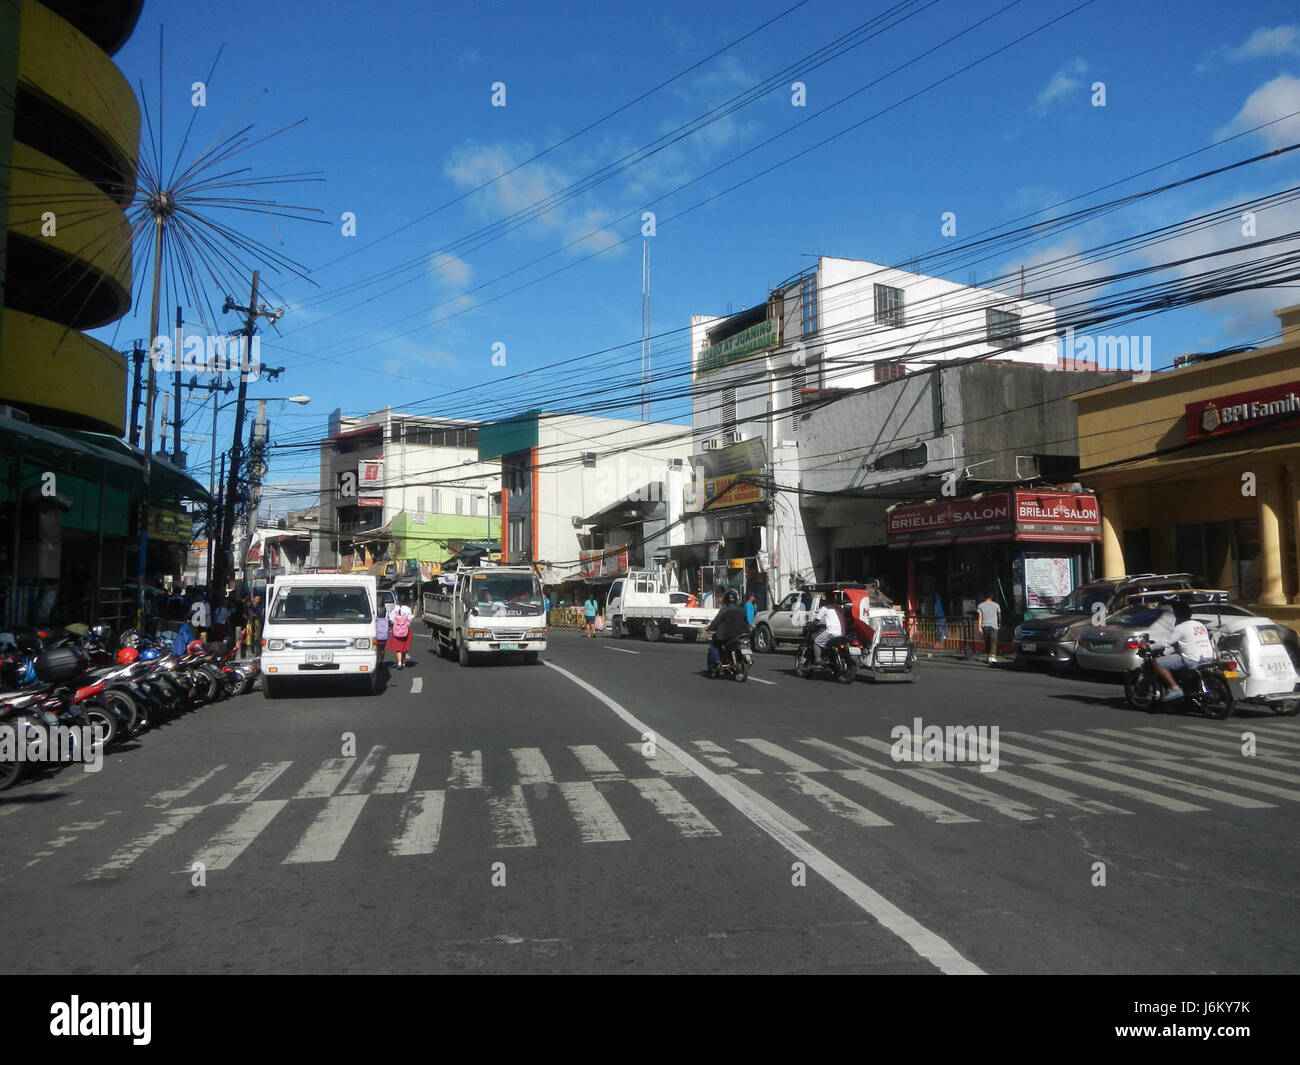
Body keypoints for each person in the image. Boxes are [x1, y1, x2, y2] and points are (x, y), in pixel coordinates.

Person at [1154, 600, 1214, 701]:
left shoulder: (1180, 627)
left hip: (1192, 659)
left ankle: (1175, 689)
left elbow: (1166, 642)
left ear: (1177, 615)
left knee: (1157, 663)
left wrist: (1149, 647)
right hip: (1207, 657)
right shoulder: (1200, 624)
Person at [706, 589, 750, 672]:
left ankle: (717, 662)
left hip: (726, 636)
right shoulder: (742, 610)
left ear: (726, 600)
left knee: (714, 644)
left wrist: (709, 628)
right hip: (742, 635)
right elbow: (746, 622)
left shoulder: (724, 610)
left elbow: (715, 622)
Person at [810, 592, 844, 664]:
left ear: (826, 599)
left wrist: (810, 625)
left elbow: (817, 620)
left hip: (832, 632)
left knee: (816, 642)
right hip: (842, 633)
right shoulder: (839, 608)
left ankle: (818, 660)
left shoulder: (825, 608)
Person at [388, 600, 413, 669]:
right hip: (406, 631)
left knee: (398, 647)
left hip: (397, 631)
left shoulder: (395, 609)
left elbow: (392, 621)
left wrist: (398, 624)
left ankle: (399, 662)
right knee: (404, 646)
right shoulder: (408, 609)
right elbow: (410, 620)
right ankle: (403, 662)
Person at [977, 594, 1001, 663]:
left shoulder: (980, 605)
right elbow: (999, 615)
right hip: (994, 625)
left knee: (987, 641)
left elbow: (980, 617)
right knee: (993, 641)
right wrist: (999, 623)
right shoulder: (996, 605)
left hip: (984, 626)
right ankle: (992, 656)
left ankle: (989, 656)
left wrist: (979, 627)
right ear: (992, 597)